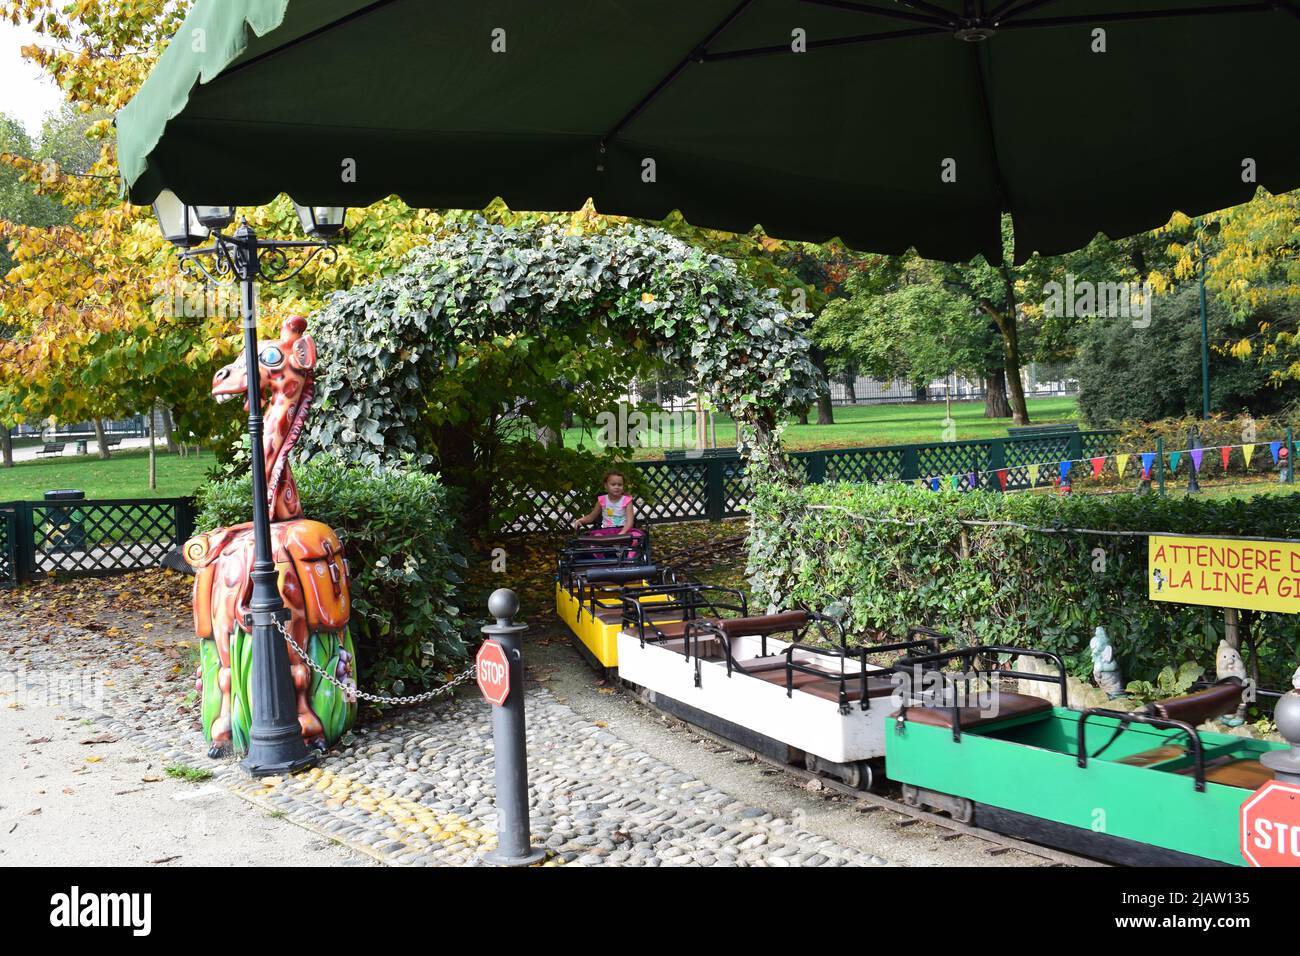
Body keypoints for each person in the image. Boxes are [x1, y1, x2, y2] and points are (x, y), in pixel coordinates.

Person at [572, 470, 639, 537]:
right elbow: (591, 517)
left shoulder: (627, 500)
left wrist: (622, 533)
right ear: (606, 486)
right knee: (597, 537)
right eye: (613, 484)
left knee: (635, 537)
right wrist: (580, 520)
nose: (617, 487)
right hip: (606, 531)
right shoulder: (602, 500)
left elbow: (630, 522)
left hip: (623, 530)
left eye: (620, 485)